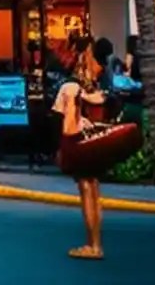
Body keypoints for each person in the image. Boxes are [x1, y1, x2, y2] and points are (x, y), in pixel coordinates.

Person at [54, 40, 108, 260]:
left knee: (86, 189)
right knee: (94, 189)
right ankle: (96, 243)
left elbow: (68, 124)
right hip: (96, 139)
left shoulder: (71, 88)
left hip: (79, 140)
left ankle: (91, 245)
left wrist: (64, 148)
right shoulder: (98, 86)